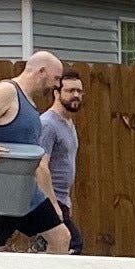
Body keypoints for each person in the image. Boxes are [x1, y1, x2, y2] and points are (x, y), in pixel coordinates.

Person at [0, 51, 69, 252]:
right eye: (55, 78)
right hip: (0, 191)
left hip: (27, 192)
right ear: (41, 71)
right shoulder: (6, 91)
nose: (56, 85)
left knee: (61, 238)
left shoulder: (29, 101)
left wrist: (53, 202)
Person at [42, 71, 87, 252]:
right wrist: (53, 203)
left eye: (79, 91)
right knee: (73, 244)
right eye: (70, 90)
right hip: (48, 200)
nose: (76, 95)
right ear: (56, 93)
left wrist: (66, 202)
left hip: (62, 199)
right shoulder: (47, 124)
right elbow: (41, 166)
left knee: (53, 248)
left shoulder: (68, 123)